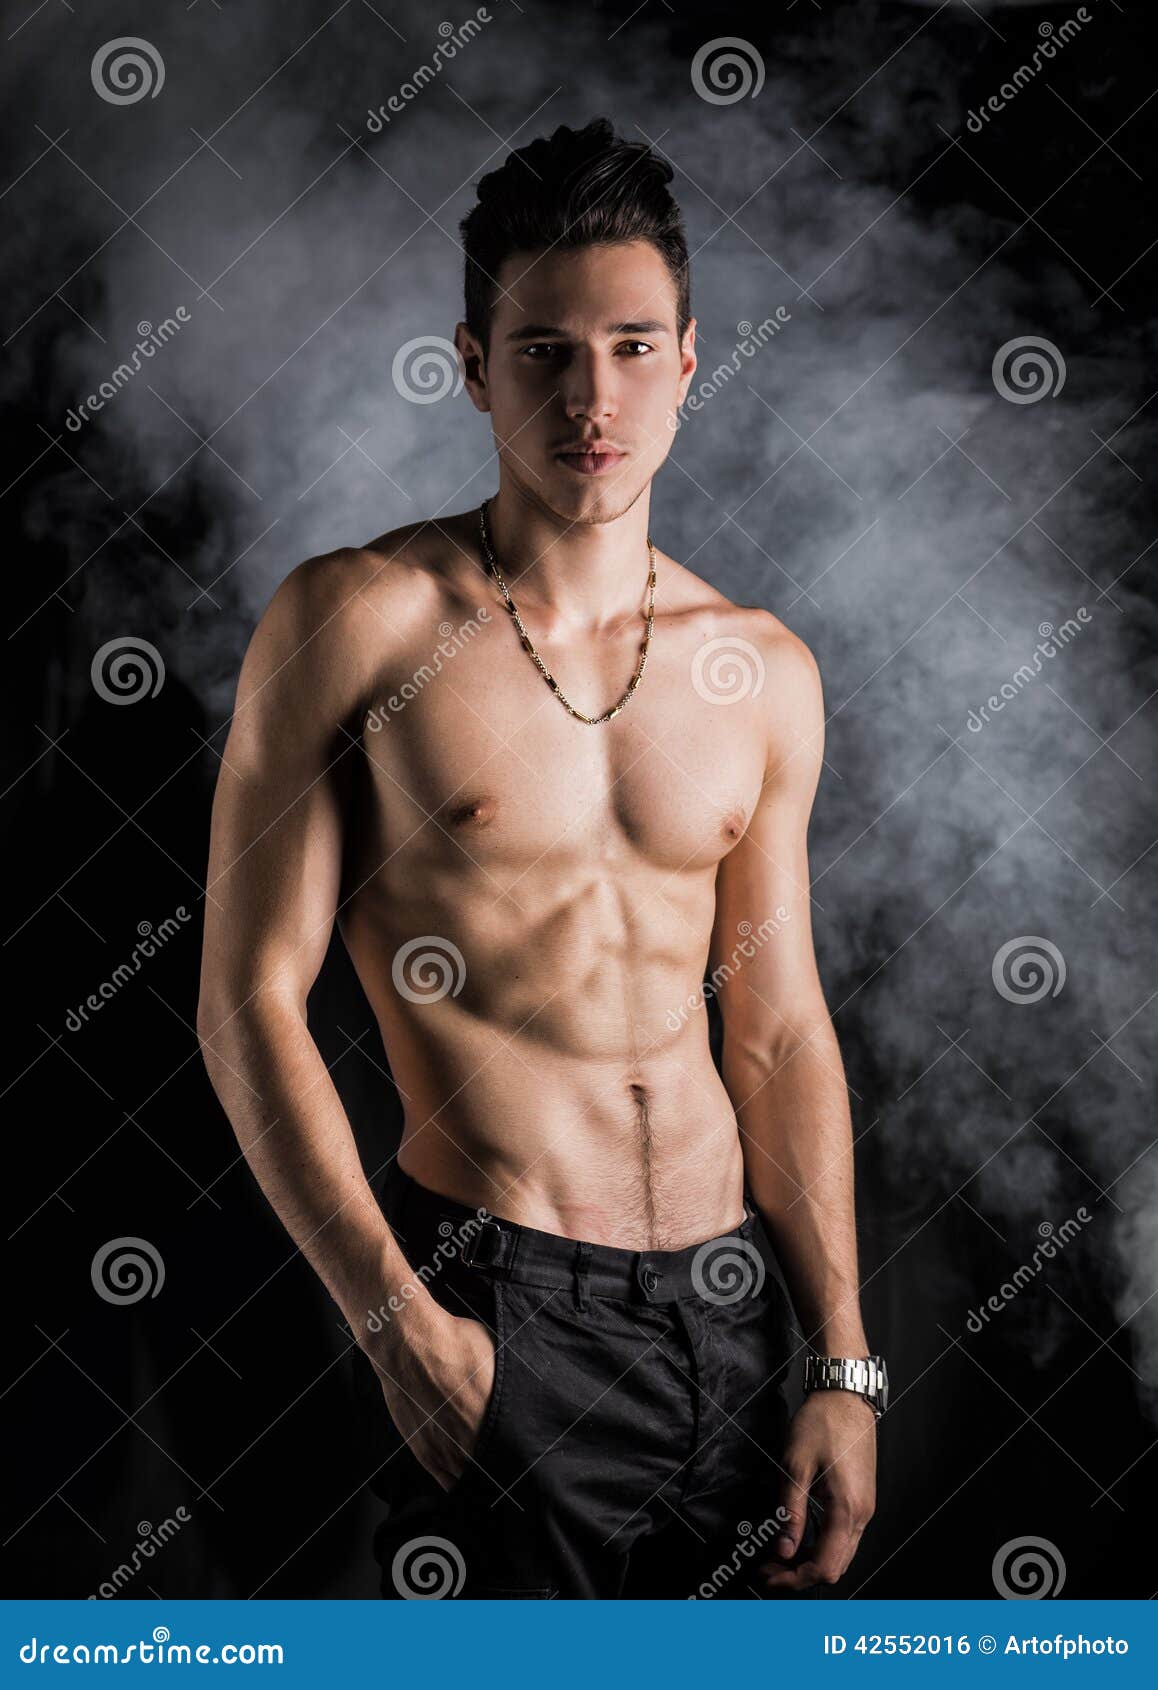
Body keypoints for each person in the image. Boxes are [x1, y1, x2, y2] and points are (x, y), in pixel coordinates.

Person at [197, 116, 885, 1601]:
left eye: (634, 346)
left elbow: (773, 1027)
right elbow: (245, 1001)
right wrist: (395, 1322)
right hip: (501, 1305)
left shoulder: (760, 670)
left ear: (691, 363)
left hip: (735, 1316)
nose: (593, 394)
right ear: (470, 364)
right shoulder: (357, 622)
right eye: (544, 351)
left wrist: (839, 1353)